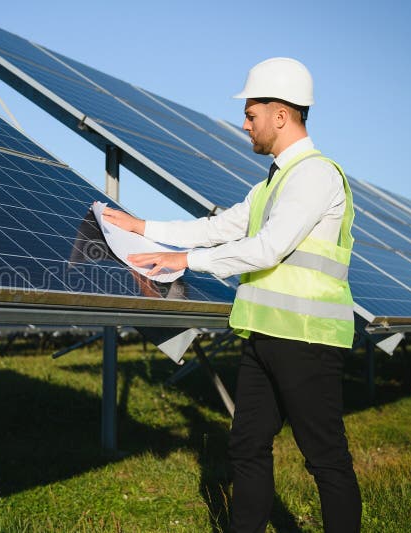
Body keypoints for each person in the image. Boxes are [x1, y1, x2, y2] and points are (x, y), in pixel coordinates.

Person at [102, 57, 361, 532]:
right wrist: (144, 227)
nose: (245, 125)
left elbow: (268, 247)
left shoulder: (315, 176)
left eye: (251, 113)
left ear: (280, 115)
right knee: (246, 445)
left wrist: (185, 262)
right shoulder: (273, 182)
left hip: (306, 339)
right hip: (263, 335)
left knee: (325, 458)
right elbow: (222, 226)